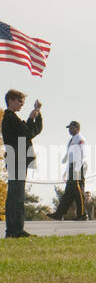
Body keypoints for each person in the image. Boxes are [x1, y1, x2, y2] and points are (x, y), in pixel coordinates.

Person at [3, 89, 43, 238]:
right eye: (20, 101)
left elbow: (33, 130)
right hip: (16, 159)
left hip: (17, 159)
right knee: (16, 197)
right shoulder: (9, 118)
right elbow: (27, 132)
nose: (21, 104)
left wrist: (36, 114)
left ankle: (15, 229)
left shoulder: (13, 119)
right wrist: (31, 118)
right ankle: (15, 230)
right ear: (11, 100)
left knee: (16, 196)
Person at [52, 119, 87, 220]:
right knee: (69, 192)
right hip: (72, 166)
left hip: (78, 166)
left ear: (76, 128)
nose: (69, 130)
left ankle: (82, 214)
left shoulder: (80, 139)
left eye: (71, 128)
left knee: (78, 190)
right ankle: (59, 213)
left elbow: (82, 153)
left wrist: (77, 167)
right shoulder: (72, 140)